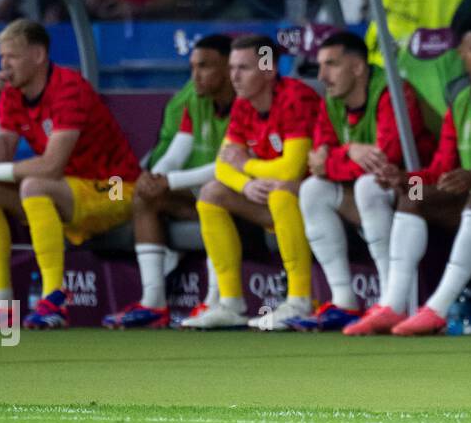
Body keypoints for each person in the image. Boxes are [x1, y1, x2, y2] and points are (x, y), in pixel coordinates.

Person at [346, 11, 471, 336]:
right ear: (461, 53)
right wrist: (406, 179)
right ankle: (393, 304)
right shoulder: (459, 100)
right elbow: (442, 167)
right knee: (413, 196)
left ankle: (437, 308)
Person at [0, 19, 142, 329]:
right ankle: (0, 303)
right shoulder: (13, 95)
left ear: (38, 55)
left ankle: (54, 298)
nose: (4, 65)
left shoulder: (69, 87)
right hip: (69, 190)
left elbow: (51, 165)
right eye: (1, 57)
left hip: (118, 187)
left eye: (11, 57)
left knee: (34, 185)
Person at [297, 31, 436, 331]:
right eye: (320, 66)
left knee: (368, 185)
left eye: (331, 65)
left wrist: (337, 157)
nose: (322, 75)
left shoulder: (395, 93)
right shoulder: (332, 101)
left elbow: (385, 160)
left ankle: (390, 300)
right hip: (384, 192)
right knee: (312, 190)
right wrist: (350, 151)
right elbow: (317, 163)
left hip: (421, 186)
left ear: (358, 68)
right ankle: (344, 301)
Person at [184, 34, 324, 330]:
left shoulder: (296, 97)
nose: (233, 76)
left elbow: (291, 169)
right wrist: (246, 185)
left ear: (269, 69)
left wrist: (247, 166)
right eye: (232, 67)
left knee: (280, 190)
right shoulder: (244, 104)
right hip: (267, 203)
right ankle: (230, 303)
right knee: (211, 193)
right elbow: (223, 167)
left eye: (243, 68)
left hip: (313, 204)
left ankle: (299, 301)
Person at [103, 34, 236, 328]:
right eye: (192, 67)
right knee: (145, 196)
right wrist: (155, 177)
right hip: (201, 193)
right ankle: (154, 303)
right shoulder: (196, 101)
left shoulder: (245, 103)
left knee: (214, 194)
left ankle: (217, 300)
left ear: (229, 67)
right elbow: (178, 150)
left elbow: (224, 167)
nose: (195, 76)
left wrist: (169, 180)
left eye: (204, 67)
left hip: (239, 194)